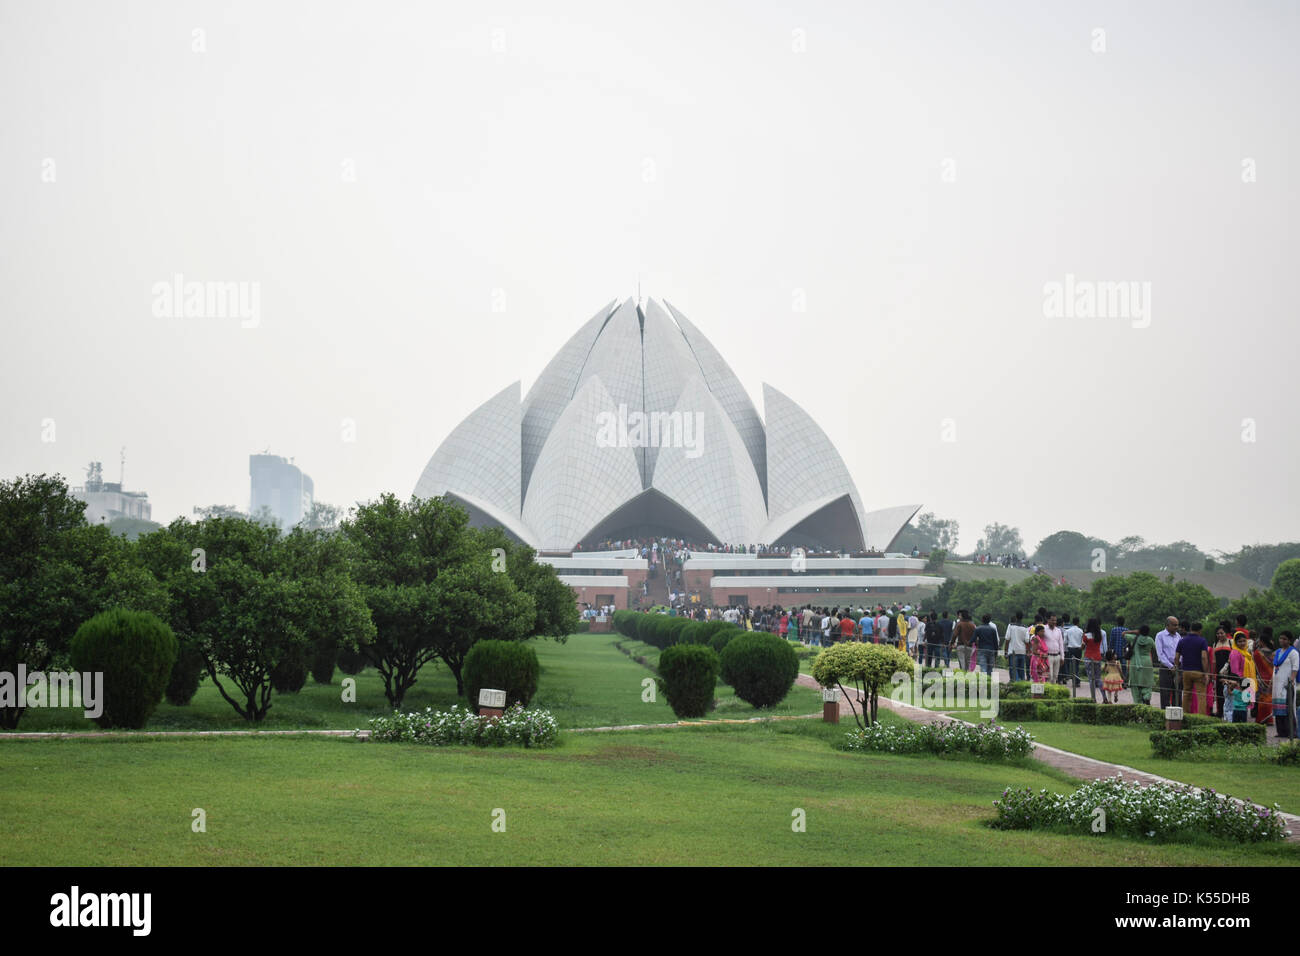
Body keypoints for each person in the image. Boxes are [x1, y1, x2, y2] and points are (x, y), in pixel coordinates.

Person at [1174, 621, 1210, 715]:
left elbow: (1176, 657)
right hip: (1198, 672)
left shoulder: (1182, 640)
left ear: (1190, 629)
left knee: (1186, 694)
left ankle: (1185, 715)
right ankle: (1201, 718)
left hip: (1186, 671)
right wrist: (1206, 673)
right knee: (1201, 696)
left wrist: (1177, 669)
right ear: (1200, 630)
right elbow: (1204, 657)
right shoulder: (1202, 641)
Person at [1272, 631, 1298, 739]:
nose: (1282, 641)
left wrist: (1291, 680)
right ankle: (1280, 731)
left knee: (1288, 708)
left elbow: (1295, 668)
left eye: (1285, 639)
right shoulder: (1277, 652)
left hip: (1287, 684)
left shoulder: (1293, 653)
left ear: (1290, 640)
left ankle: (1291, 731)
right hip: (1277, 684)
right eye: (1281, 638)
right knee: (1278, 708)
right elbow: (1275, 667)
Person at [1155, 617, 1181, 708]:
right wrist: (1170, 666)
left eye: (1177, 625)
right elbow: (1160, 654)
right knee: (1165, 693)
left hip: (1177, 667)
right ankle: (1164, 715)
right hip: (1166, 667)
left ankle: (1176, 715)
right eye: (1174, 625)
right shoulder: (1160, 635)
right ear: (1167, 625)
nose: (1176, 627)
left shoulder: (1178, 636)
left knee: (1177, 693)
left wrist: (1177, 665)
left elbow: (1180, 652)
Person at [1127, 624, 1156, 705]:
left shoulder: (1133, 638)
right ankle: (1146, 696)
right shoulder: (1150, 640)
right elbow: (1155, 648)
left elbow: (1123, 634)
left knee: (1135, 684)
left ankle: (1137, 702)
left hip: (1135, 662)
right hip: (1147, 662)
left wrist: (1133, 631)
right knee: (1147, 682)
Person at [1253, 628, 1275, 727]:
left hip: (1261, 679)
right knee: (1269, 698)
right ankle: (1269, 718)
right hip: (1272, 678)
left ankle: (1261, 718)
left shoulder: (1258, 653)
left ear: (1261, 641)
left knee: (1262, 698)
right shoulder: (1273, 653)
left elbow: (1255, 664)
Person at [1082, 618, 1105, 700]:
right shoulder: (1100, 635)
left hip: (1088, 657)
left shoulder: (1086, 635)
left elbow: (1082, 647)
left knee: (1091, 679)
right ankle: (1104, 697)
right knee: (1098, 678)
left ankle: (1093, 698)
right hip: (1098, 657)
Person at [1004, 612, 1030, 682]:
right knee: (1021, 670)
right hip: (1022, 651)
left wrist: (1005, 651)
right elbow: (1027, 641)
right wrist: (1028, 651)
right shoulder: (1025, 627)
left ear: (1016, 617)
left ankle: (1016, 683)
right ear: (1022, 617)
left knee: (1013, 670)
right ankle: (1022, 684)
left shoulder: (1011, 626)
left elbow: (1007, 639)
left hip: (1013, 651)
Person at [1063, 616, 1085, 687]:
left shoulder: (1068, 630)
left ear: (1073, 622)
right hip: (1078, 649)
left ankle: (1074, 680)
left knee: (1072, 665)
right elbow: (1083, 642)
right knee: (1077, 665)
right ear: (1078, 623)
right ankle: (1077, 681)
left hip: (1070, 649)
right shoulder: (1081, 630)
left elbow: (1065, 642)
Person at [1042, 615, 1065, 684]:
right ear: (1048, 620)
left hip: (1057, 656)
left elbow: (1061, 644)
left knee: (1055, 676)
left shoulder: (1058, 630)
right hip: (1047, 656)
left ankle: (1053, 691)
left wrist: (1062, 657)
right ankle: (1047, 691)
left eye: (1055, 620)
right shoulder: (1044, 629)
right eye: (1052, 620)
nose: (1054, 622)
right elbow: (1037, 638)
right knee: (1049, 676)